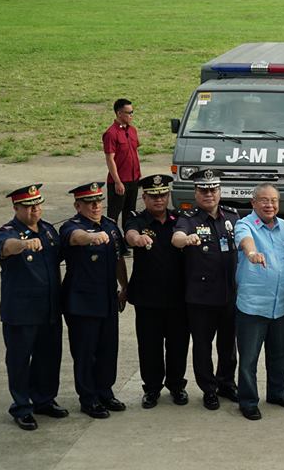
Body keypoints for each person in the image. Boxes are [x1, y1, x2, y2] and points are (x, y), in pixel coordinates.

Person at [0, 184, 68, 430]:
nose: (35, 210)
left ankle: (44, 399)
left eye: (38, 204)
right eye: (28, 206)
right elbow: (6, 248)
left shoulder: (48, 230)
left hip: (48, 307)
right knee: (19, 360)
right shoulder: (7, 232)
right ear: (16, 208)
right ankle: (21, 407)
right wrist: (23, 244)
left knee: (48, 357)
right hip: (21, 311)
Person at [171, 169, 240, 411]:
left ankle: (226, 383)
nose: (209, 194)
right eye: (204, 190)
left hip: (229, 293)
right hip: (201, 297)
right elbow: (177, 237)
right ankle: (208, 389)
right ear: (196, 193)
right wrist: (185, 239)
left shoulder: (232, 217)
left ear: (220, 191)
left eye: (213, 190)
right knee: (202, 345)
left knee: (228, 345)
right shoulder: (189, 218)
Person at [234, 184, 284, 420]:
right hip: (252, 305)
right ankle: (248, 401)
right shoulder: (244, 225)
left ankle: (278, 392)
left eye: (274, 201)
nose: (269, 205)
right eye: (263, 200)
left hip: (280, 305)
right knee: (249, 358)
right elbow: (245, 243)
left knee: (283, 354)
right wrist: (252, 254)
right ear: (253, 203)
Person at [60, 182, 127, 419]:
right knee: (85, 352)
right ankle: (88, 398)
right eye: (90, 203)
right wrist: (91, 237)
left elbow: (119, 258)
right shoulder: (72, 227)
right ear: (78, 205)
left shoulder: (110, 225)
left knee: (108, 349)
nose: (96, 206)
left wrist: (124, 286)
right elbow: (75, 238)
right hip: (82, 302)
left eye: (98, 201)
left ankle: (105, 392)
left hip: (108, 298)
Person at [123, 174, 189, 409]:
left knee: (178, 345)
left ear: (168, 195)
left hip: (177, 297)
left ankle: (177, 386)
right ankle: (151, 389)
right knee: (149, 346)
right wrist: (137, 239)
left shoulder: (179, 219)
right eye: (153, 196)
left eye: (162, 195)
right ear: (144, 197)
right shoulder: (137, 219)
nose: (158, 200)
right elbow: (130, 234)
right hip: (147, 297)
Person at [103, 98, 141, 230]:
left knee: (130, 213)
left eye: (132, 112)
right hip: (119, 181)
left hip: (133, 179)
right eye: (128, 112)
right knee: (113, 214)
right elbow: (110, 159)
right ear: (119, 113)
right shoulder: (111, 134)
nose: (131, 115)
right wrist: (117, 181)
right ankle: (113, 241)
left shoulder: (132, 130)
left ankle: (128, 238)